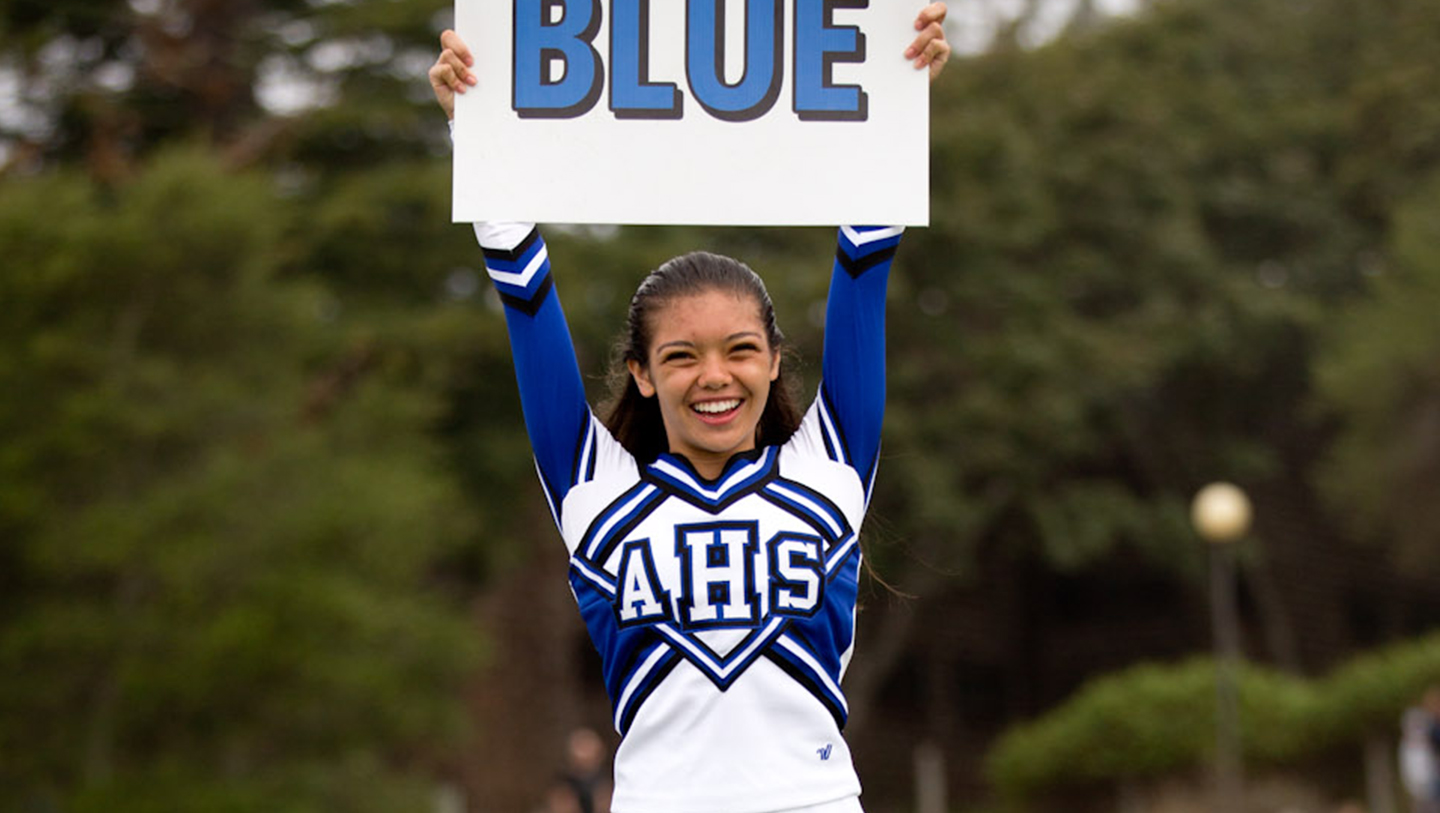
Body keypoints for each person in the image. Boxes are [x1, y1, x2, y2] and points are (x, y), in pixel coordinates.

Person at [429, 7, 951, 812]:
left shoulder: (831, 468)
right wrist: (480, 128)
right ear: (641, 372)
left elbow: (866, 258)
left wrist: (899, 80)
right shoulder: (595, 492)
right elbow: (522, 290)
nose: (716, 376)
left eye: (741, 349)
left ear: (775, 360)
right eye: (681, 355)